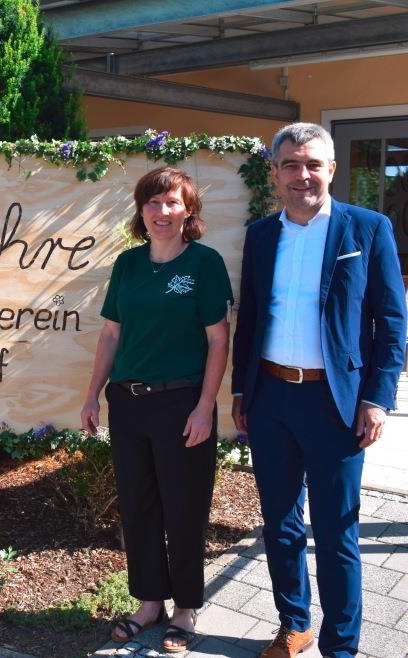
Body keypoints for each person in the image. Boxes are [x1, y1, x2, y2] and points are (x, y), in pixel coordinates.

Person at [232, 123, 406, 658]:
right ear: (276, 172)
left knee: (336, 533)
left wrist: (377, 399)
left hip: (337, 404)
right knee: (280, 524)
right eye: (290, 164)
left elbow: (392, 322)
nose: (301, 175)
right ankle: (295, 624)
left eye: (312, 164)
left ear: (331, 169)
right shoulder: (262, 234)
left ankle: (341, 646)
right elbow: (251, 317)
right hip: (270, 398)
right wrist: (241, 392)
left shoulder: (367, 228)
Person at [80, 166, 232, 652]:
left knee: (184, 508)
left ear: (188, 210)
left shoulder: (204, 264)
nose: (162, 212)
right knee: (139, 506)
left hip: (182, 403)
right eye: (152, 203)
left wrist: (205, 407)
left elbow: (218, 340)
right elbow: (111, 334)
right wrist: (92, 395)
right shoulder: (127, 264)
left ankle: (185, 609)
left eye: (172, 203)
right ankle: (149, 603)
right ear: (141, 211)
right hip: (128, 403)